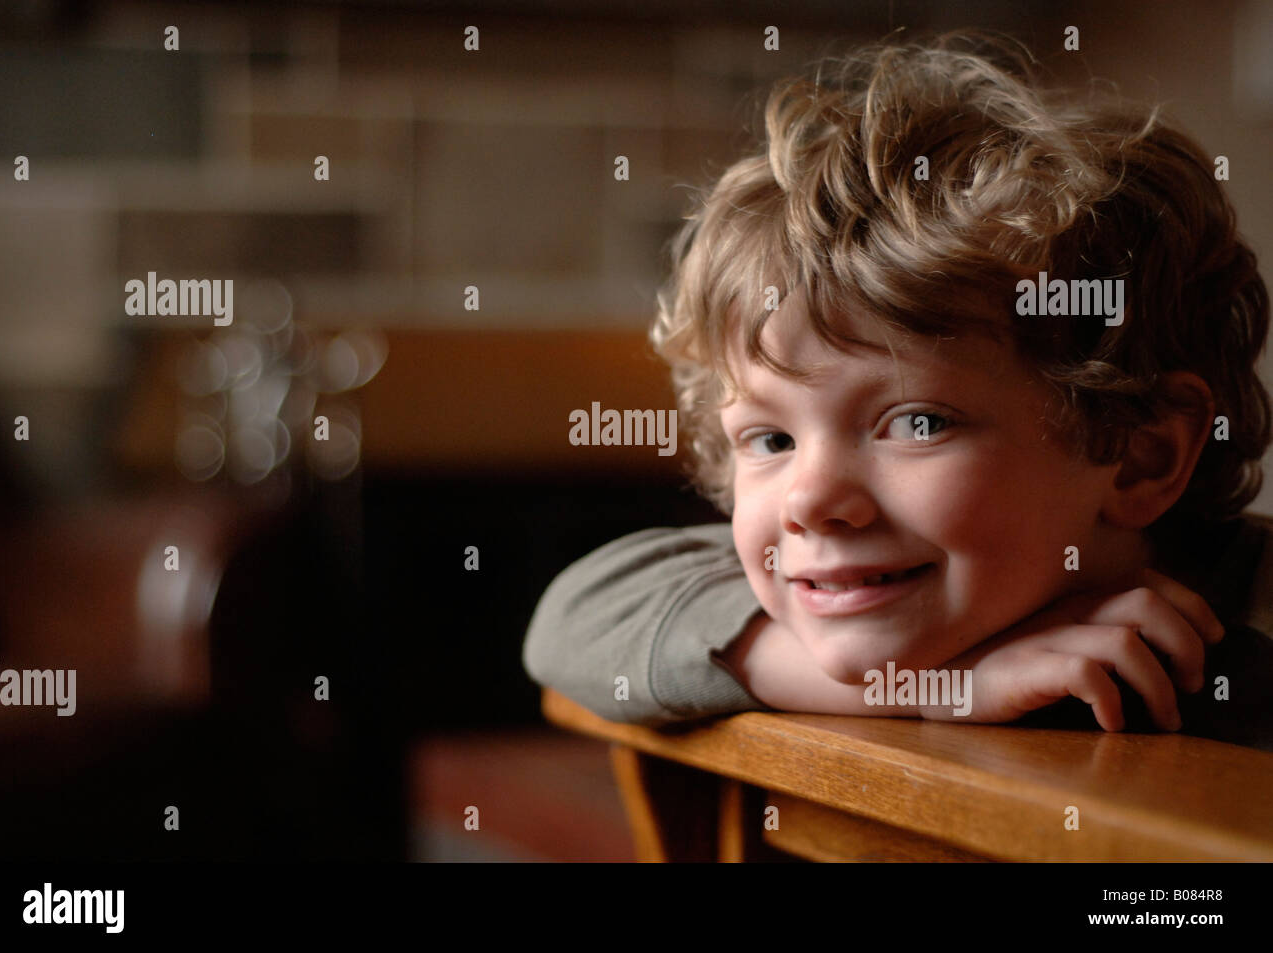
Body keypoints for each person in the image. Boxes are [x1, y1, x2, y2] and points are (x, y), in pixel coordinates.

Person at [523, 30, 1273, 749]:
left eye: (916, 423)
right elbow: (573, 617)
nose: (809, 500)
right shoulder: (899, 592)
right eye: (772, 439)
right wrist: (932, 686)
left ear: (1142, 454)